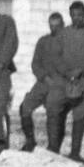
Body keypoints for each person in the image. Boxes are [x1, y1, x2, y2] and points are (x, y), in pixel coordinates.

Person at [50, 0, 84, 160]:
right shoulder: (62, 34)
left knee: (79, 115)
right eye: (74, 15)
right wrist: (67, 72)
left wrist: (81, 71)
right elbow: (56, 56)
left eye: (80, 15)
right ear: (70, 16)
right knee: (53, 107)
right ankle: (53, 149)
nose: (77, 18)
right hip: (65, 82)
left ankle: (75, 153)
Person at [18, 12, 65, 151]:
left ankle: (53, 147)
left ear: (63, 25)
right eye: (51, 26)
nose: (54, 29)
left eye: (57, 26)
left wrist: (59, 80)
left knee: (54, 113)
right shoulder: (43, 41)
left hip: (60, 84)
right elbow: (35, 64)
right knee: (25, 107)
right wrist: (43, 77)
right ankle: (30, 140)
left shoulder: (68, 42)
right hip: (43, 82)